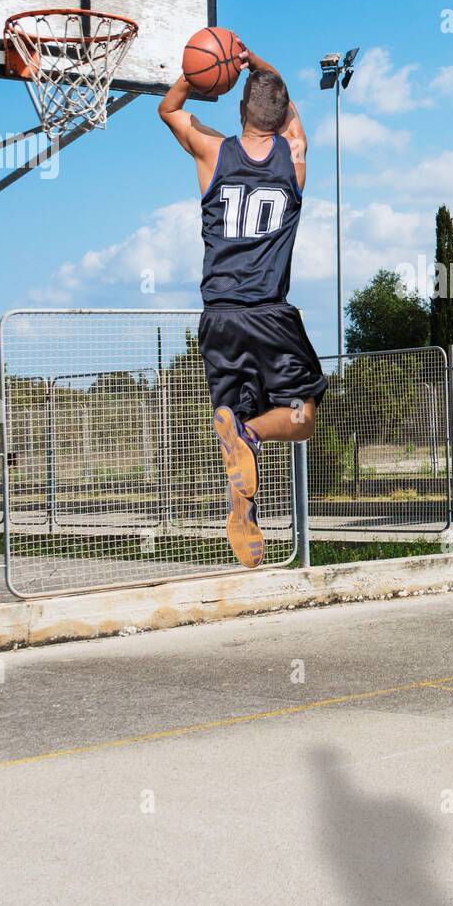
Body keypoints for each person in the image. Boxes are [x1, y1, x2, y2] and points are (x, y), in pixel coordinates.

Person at [158, 46, 324, 565]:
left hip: (218, 317)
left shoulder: (212, 152)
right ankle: (249, 434)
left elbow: (168, 109)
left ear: (239, 110)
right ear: (282, 116)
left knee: (232, 415)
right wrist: (255, 61)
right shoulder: (293, 156)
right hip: (269, 313)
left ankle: (243, 514)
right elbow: (291, 114)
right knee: (302, 414)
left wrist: (198, 70)